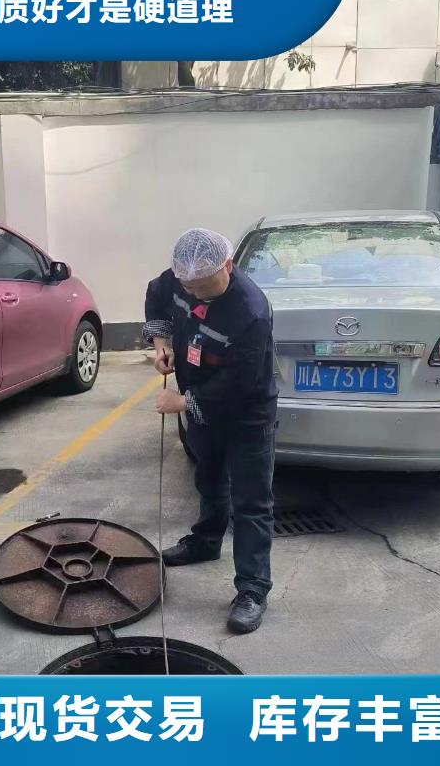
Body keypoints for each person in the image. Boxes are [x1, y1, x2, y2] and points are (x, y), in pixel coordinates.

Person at [143, 227, 278, 634]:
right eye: (189, 287)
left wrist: (183, 402)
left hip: (247, 413)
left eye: (204, 286)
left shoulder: (250, 311)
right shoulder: (181, 279)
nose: (196, 294)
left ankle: (252, 589)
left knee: (251, 501)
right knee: (208, 476)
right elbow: (157, 295)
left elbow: (240, 384)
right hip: (201, 401)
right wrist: (162, 343)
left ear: (228, 266)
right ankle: (206, 541)